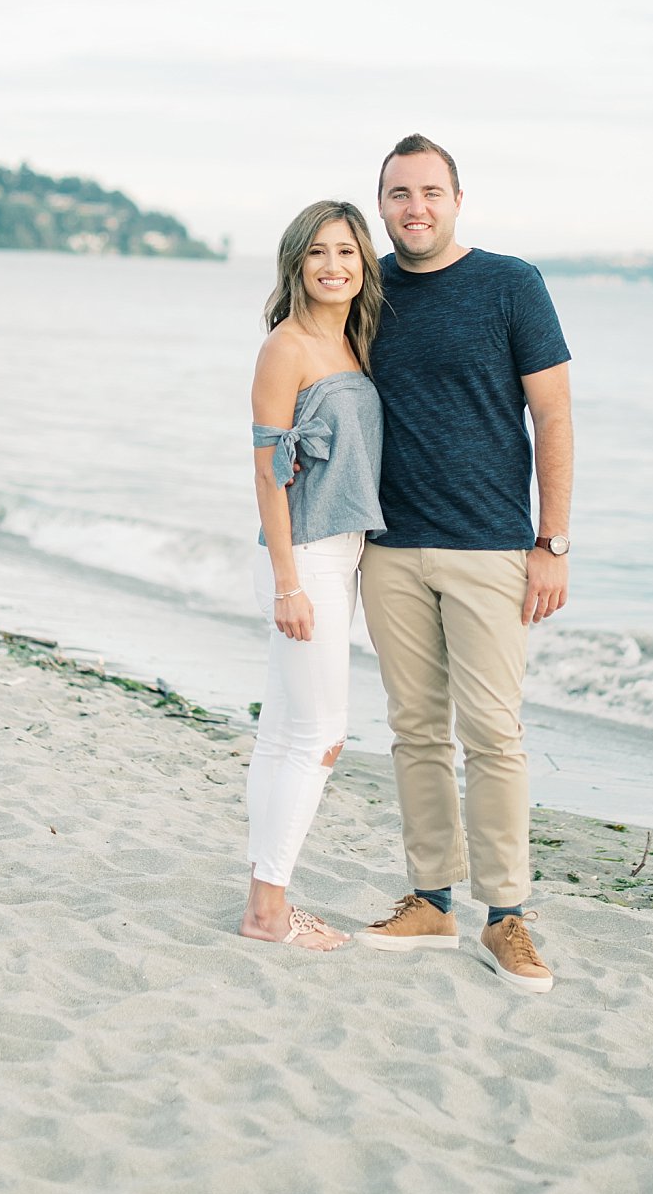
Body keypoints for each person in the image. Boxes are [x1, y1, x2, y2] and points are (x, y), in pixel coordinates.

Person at [357, 135, 573, 993]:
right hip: (390, 549)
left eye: (430, 192)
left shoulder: (510, 284)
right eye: (399, 193)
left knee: (493, 736)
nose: (415, 207)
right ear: (381, 204)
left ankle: (507, 917)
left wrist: (549, 542)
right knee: (414, 731)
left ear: (456, 200)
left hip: (489, 547)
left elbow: (552, 417)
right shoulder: (364, 289)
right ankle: (429, 900)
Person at [240, 200, 385, 952]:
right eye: (318, 253)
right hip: (305, 556)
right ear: (296, 263)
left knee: (282, 735)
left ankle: (261, 896)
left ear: (364, 266)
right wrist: (288, 582)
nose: (334, 266)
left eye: (348, 253)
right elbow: (268, 476)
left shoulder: (355, 342)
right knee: (321, 737)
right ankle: (270, 910)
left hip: (344, 549)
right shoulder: (287, 347)